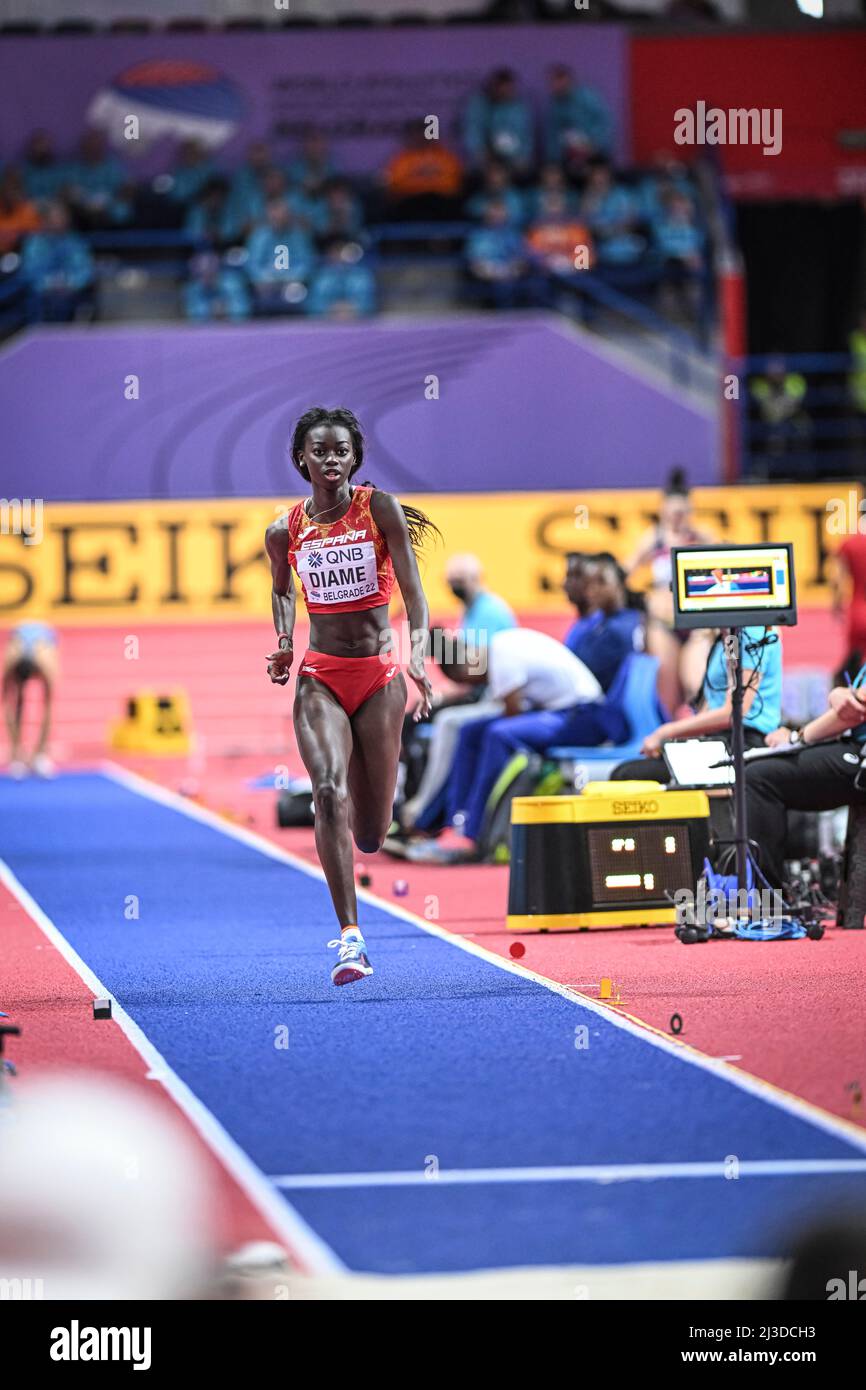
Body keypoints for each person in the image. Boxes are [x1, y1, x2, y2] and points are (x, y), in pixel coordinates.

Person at [264, 407, 437, 986]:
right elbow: (282, 593)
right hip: (320, 677)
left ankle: (364, 846)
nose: (331, 459)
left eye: (341, 450)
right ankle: (350, 938)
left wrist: (417, 652)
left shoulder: (377, 508)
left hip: (380, 679)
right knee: (329, 791)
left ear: (354, 458)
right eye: (320, 450)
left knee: (371, 831)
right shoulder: (284, 531)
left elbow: (412, 587)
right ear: (302, 460)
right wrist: (285, 641)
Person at [430, 627, 604, 858]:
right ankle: (456, 822)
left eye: (469, 681)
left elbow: (512, 715)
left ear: (467, 668)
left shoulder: (502, 660)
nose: (478, 684)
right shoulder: (497, 647)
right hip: (558, 711)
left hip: (582, 716)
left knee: (498, 735)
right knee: (469, 731)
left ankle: (474, 833)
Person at [389, 558, 515, 837]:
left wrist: (446, 694)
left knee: (418, 720)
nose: (456, 586)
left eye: (462, 579)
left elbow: (479, 668)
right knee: (413, 718)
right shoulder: (470, 610)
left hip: (488, 691)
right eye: (452, 581)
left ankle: (417, 807)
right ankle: (405, 799)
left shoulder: (490, 612)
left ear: (478, 577)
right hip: (477, 688)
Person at [610, 626, 782, 785]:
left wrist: (665, 732)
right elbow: (717, 701)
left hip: (743, 744)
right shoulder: (729, 637)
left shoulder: (750, 634)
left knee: (628, 775)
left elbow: (734, 712)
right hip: (718, 741)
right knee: (627, 772)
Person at [745, 665, 866, 889]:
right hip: (854, 746)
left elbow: (856, 710)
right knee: (757, 770)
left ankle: (767, 904)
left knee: (759, 778)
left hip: (860, 758)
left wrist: (796, 737)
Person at [626, 468, 715, 712]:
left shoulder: (703, 538)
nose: (677, 518)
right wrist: (642, 601)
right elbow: (623, 573)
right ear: (663, 511)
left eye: (682, 512)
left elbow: (728, 569)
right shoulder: (652, 539)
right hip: (663, 625)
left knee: (697, 685)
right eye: (672, 512)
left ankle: (707, 736)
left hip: (698, 624)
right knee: (667, 694)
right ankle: (666, 740)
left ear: (690, 512)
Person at [3, 621, 58, 778]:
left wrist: (39, 753)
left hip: (45, 638)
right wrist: (16, 752)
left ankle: (40, 755)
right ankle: (17, 755)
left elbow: (48, 705)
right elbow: (6, 704)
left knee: (46, 703)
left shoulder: (46, 661)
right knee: (16, 705)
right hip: (19, 636)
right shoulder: (11, 661)